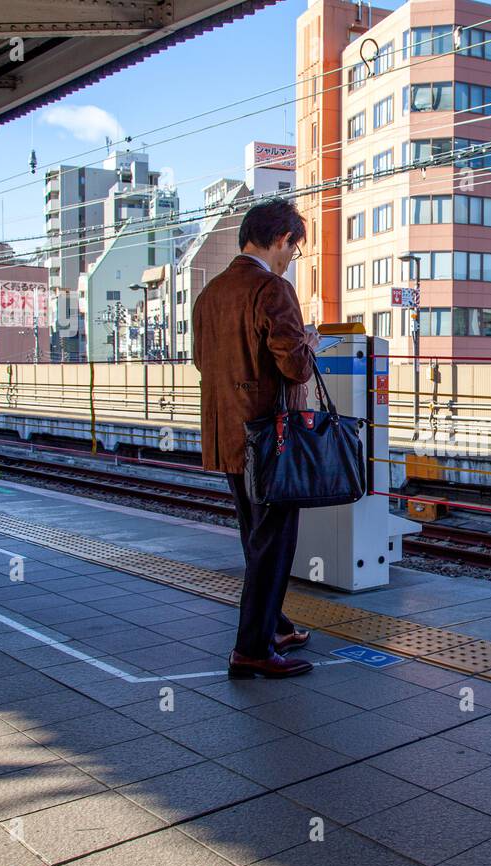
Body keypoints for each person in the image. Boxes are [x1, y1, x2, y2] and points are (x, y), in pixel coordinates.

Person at [192, 198, 318, 680]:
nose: (291, 259)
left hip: (227, 437)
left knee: (255, 538)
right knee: (275, 544)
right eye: (294, 249)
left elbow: (205, 362)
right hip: (270, 441)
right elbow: (294, 365)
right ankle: (251, 649)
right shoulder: (273, 288)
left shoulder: (211, 294)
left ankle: (276, 625)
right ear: (283, 239)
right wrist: (307, 343)